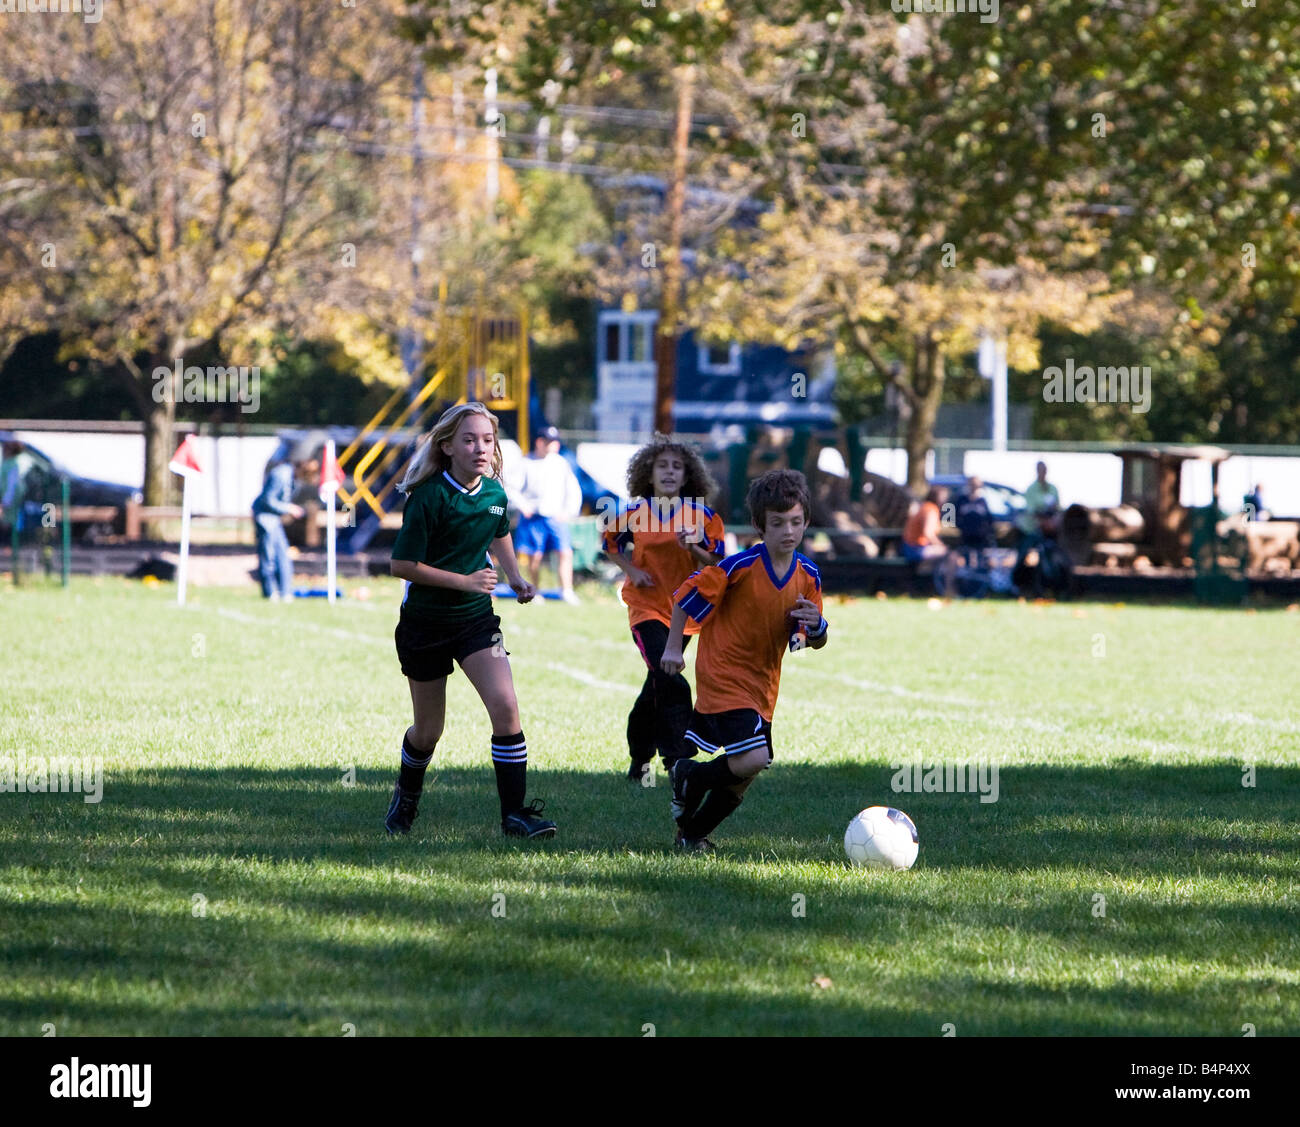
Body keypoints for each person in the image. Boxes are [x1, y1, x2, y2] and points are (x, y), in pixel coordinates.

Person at [385, 402, 555, 841]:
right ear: (447, 447)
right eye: (469, 439)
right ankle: (406, 798)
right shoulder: (428, 497)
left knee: (506, 707)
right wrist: (463, 580)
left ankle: (515, 815)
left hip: (476, 622)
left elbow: (498, 532)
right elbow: (402, 565)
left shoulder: (496, 495)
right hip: (424, 625)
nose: (481, 447)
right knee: (428, 731)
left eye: (487, 439)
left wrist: (516, 578)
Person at [660, 469, 828, 852]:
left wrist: (816, 627)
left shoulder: (809, 575)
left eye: (797, 522)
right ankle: (691, 775)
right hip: (724, 671)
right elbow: (686, 596)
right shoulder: (739, 567)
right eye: (778, 523)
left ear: (806, 521)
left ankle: (691, 834)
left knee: (742, 777)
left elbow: (812, 641)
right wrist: (673, 648)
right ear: (759, 526)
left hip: (763, 684)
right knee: (755, 757)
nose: (789, 531)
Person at [601, 436, 726, 783]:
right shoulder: (633, 514)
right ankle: (678, 758)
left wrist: (694, 546)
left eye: (677, 466)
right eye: (662, 466)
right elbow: (610, 543)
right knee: (670, 678)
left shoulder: (702, 516)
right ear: (649, 474)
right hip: (645, 609)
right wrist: (632, 570)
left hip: (685, 612)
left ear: (687, 476)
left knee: (656, 685)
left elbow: (717, 560)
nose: (669, 472)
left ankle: (640, 757)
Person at [506, 425, 583, 604]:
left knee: (565, 553)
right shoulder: (526, 463)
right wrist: (523, 506)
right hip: (534, 517)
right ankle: (535, 591)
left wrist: (569, 511)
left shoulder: (560, 463)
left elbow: (573, 489)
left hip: (556, 517)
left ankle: (567, 591)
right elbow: (511, 488)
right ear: (539, 442)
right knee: (535, 557)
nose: (553, 445)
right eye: (549, 441)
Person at [251, 455, 316, 601]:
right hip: (264, 517)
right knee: (268, 555)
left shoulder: (293, 478)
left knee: (283, 554)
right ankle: (270, 592)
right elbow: (267, 499)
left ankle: (285, 592)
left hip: (274, 519)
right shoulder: (280, 474)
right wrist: (288, 508)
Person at [1015, 461, 1061, 569]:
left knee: (1051, 553)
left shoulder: (1052, 488)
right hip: (1032, 529)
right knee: (1025, 550)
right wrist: (1042, 520)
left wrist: (1051, 522)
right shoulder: (1031, 489)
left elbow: (1057, 508)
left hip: (1050, 530)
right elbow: (1031, 511)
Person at [954, 476, 995, 567]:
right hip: (966, 534)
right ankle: (968, 578)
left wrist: (987, 530)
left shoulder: (982, 501)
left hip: (981, 536)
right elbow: (954, 516)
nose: (973, 487)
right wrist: (960, 526)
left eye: (976, 485)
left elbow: (989, 518)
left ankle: (980, 577)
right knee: (967, 558)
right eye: (972, 484)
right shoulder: (962, 500)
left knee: (982, 559)